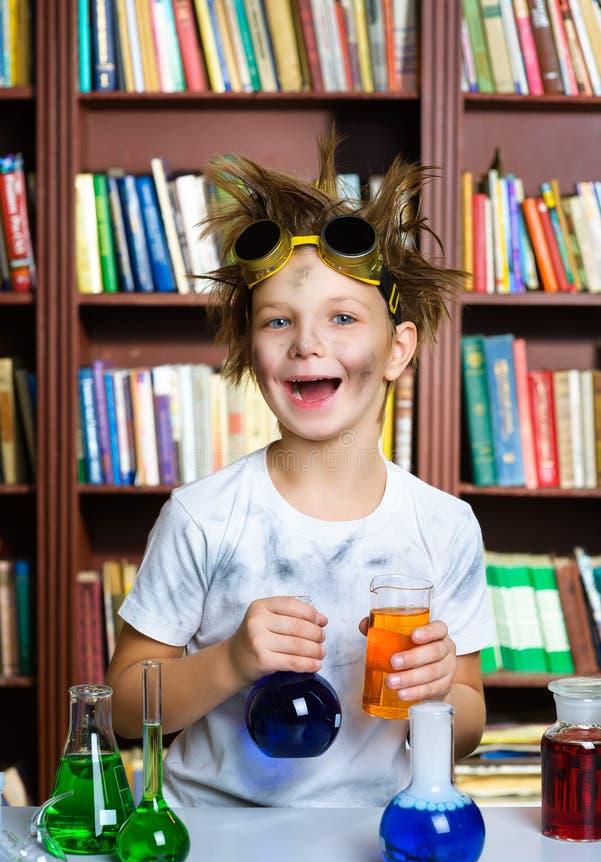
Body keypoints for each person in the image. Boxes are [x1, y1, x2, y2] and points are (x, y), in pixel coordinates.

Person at [106, 135, 495, 808]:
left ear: (398, 348)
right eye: (278, 320)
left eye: (341, 317)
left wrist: (437, 693)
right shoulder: (202, 516)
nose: (307, 343)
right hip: (214, 842)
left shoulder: (443, 525)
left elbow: (466, 727)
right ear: (250, 352)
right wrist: (228, 661)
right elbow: (119, 711)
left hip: (375, 839)